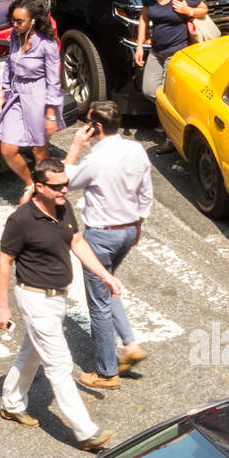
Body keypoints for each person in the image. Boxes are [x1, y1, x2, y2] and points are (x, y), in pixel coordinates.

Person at [0, 156, 118, 452]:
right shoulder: (21, 220)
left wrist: (105, 276)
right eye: (58, 186)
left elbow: (77, 242)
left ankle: (11, 403)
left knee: (32, 351)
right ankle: (87, 433)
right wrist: (2, 305)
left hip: (57, 297)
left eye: (66, 184)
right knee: (60, 365)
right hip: (35, 298)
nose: (65, 190)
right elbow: (4, 260)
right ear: (39, 187)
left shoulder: (63, 208)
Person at [64, 101, 151, 388]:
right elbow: (145, 192)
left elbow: (62, 183)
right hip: (128, 230)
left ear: (95, 127)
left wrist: (76, 147)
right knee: (108, 283)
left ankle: (106, 372)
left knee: (99, 302)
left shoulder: (94, 161)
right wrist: (138, 226)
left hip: (101, 236)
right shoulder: (136, 150)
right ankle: (130, 344)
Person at [134, 0, 208, 153]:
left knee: (168, 94)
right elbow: (143, 18)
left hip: (178, 51)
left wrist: (188, 11)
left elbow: (204, 9)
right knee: (150, 90)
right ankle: (176, 121)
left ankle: (172, 136)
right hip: (156, 50)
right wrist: (140, 45)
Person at [0, 0, 63, 187]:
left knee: (39, 151)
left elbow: (54, 81)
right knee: (7, 149)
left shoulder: (47, 44)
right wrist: (4, 90)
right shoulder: (15, 36)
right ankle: (30, 184)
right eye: (12, 20)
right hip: (17, 94)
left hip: (38, 97)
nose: (14, 25)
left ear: (33, 21)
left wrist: (50, 113)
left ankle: (45, 187)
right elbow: (9, 63)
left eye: (19, 21)